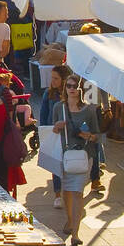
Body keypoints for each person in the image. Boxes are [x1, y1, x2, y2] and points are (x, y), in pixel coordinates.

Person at [53, 74, 100, 246]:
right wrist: (56, 128)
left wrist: (90, 136)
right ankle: (70, 220)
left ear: (80, 90)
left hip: (83, 155)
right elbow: (51, 131)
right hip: (64, 156)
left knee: (78, 192)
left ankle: (75, 233)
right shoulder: (59, 107)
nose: (72, 89)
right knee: (67, 191)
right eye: (69, 86)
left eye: (75, 86)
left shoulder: (89, 110)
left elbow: (98, 136)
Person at [38, 64, 69, 208]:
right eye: (52, 78)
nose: (53, 81)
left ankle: (69, 192)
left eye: (56, 78)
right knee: (55, 165)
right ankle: (57, 194)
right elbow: (43, 114)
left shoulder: (71, 94)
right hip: (53, 133)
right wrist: (43, 132)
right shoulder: (48, 93)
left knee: (68, 166)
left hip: (69, 135)